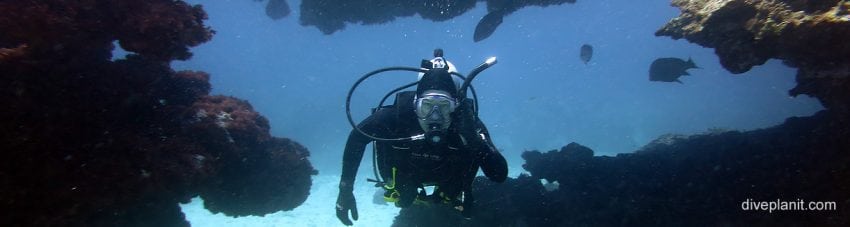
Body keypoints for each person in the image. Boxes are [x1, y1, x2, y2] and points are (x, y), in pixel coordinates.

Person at [336, 49, 508, 226]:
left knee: (455, 193)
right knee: (404, 195)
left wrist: (473, 139)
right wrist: (345, 190)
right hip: (403, 178)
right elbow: (358, 137)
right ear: (415, 103)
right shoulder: (398, 116)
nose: (435, 117)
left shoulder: (467, 124)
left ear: (456, 107)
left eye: (443, 107)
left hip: (450, 181)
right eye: (426, 106)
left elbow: (499, 174)